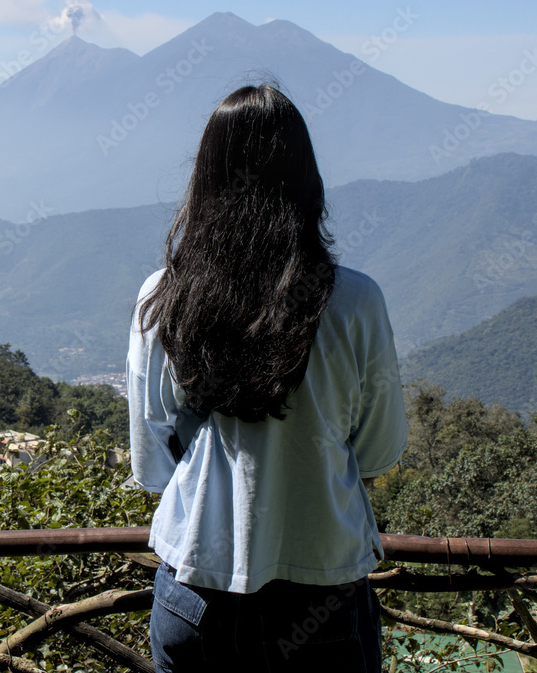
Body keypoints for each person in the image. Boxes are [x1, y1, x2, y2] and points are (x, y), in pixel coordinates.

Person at [127, 84, 408, 672]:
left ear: (205, 178)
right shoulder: (355, 301)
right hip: (322, 594)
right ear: (307, 181)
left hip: (194, 593)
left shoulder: (163, 296)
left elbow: (152, 463)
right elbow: (379, 451)